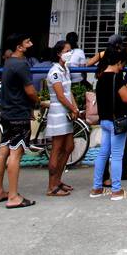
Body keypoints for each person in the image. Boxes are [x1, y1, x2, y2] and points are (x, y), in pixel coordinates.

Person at [0, 34, 37, 209]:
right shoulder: (21, 64)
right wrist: (38, 101)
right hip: (18, 113)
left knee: (3, 151)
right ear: (19, 47)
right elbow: (30, 91)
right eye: (27, 41)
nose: (31, 44)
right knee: (15, 154)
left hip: (6, 113)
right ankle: (13, 196)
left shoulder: (9, 62)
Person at [90, 43, 127, 200]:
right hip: (117, 122)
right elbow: (126, 98)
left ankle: (97, 187)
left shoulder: (101, 77)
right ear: (118, 62)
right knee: (116, 156)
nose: (122, 67)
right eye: (122, 64)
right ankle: (116, 190)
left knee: (103, 154)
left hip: (105, 121)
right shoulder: (117, 78)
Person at [43, 42, 79, 197]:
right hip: (58, 114)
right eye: (67, 51)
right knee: (57, 149)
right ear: (59, 53)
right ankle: (52, 186)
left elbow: (68, 92)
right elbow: (60, 95)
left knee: (69, 147)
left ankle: (58, 180)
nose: (69, 53)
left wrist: (75, 108)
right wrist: (72, 108)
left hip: (67, 114)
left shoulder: (66, 70)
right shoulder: (55, 72)